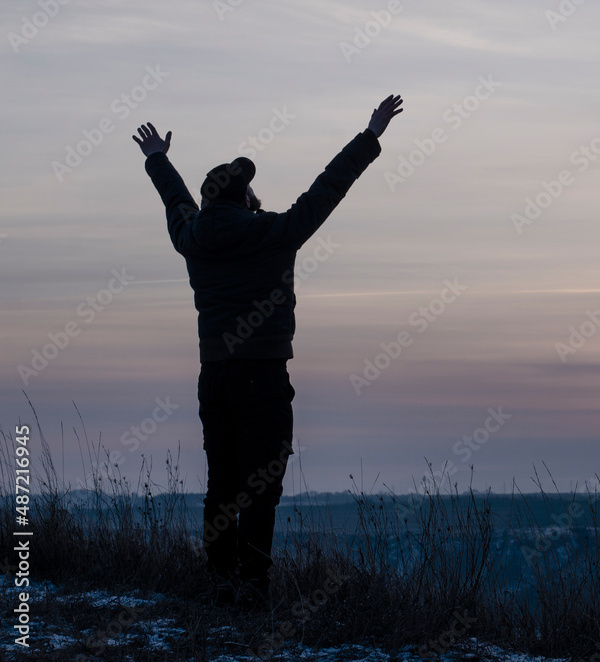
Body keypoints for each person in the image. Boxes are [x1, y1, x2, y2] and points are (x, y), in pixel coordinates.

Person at [132, 94, 403, 608]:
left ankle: (222, 584)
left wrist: (157, 160)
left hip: (214, 376)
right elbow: (326, 191)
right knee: (261, 488)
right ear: (244, 198)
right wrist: (370, 137)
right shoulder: (274, 233)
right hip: (262, 377)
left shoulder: (191, 238)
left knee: (221, 485)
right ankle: (253, 588)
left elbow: (176, 203)